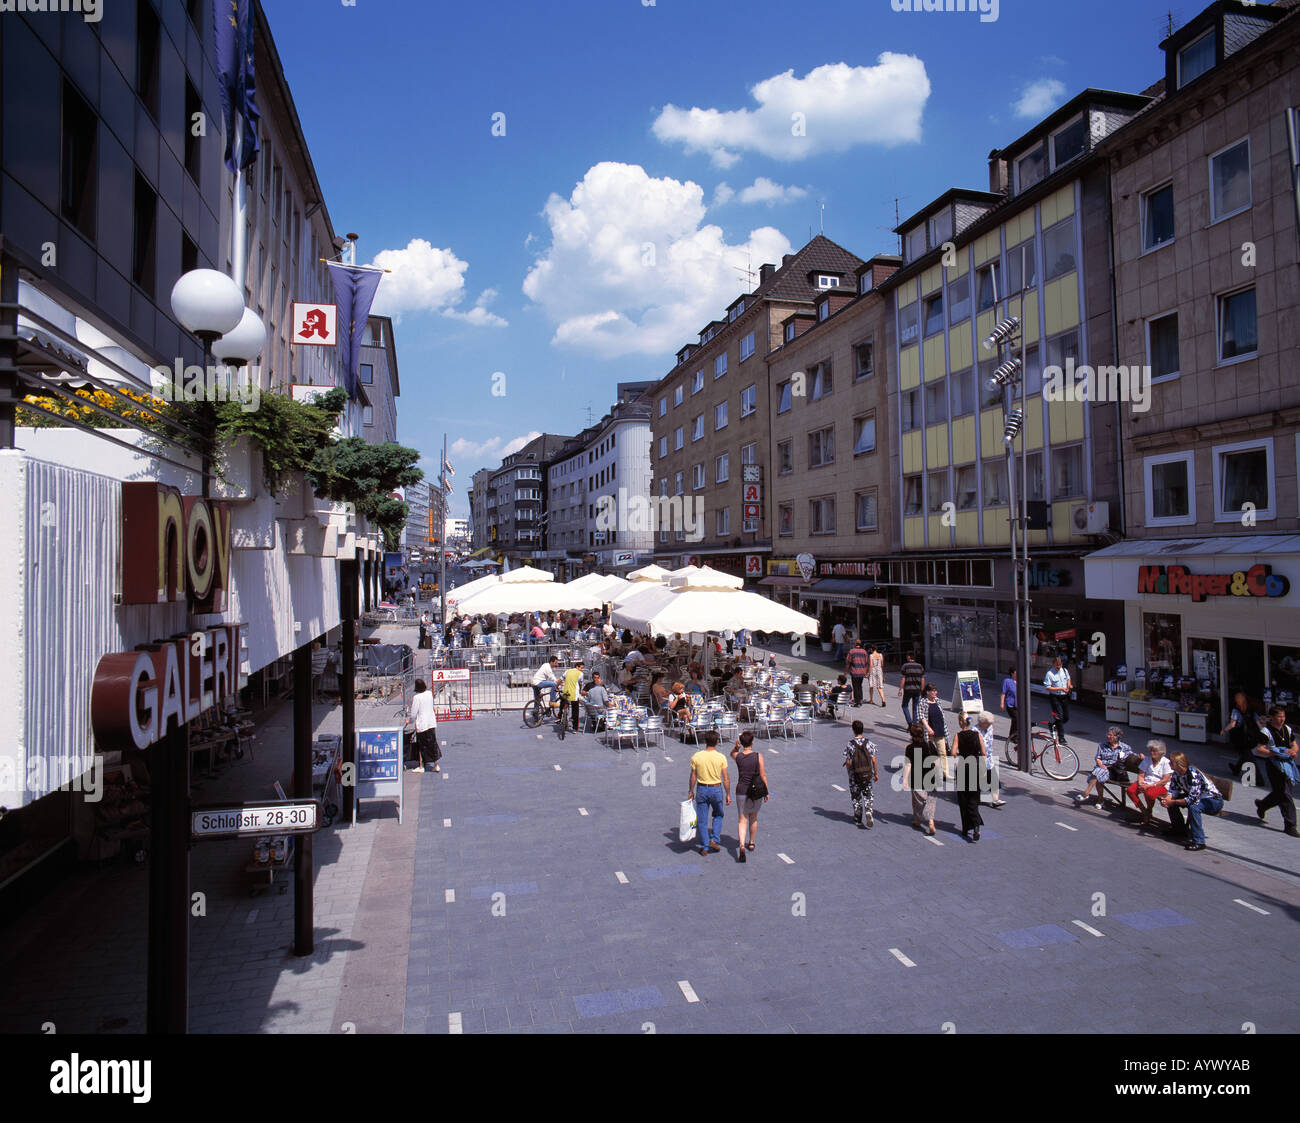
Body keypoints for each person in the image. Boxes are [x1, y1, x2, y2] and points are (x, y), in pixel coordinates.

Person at [1161, 752, 1224, 851]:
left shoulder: (1193, 774)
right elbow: (1173, 789)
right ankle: (1179, 829)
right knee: (1172, 801)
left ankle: (1199, 841)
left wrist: (1172, 802)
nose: (1169, 763)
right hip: (1198, 797)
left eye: (1171, 762)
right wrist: (1168, 798)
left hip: (1213, 801)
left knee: (1194, 807)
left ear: (1178, 764)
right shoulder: (1176, 774)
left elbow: (1192, 800)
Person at [1253, 704, 1300, 837]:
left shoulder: (1287, 730)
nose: (1282, 719)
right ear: (1271, 718)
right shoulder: (1266, 732)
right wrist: (1274, 753)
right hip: (1274, 765)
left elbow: (1294, 745)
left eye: (1283, 716)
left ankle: (1263, 805)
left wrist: (1293, 752)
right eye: (1279, 717)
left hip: (1287, 765)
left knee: (1282, 792)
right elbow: (1259, 749)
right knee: (1285, 794)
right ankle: (1290, 825)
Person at [689, 731, 731, 855]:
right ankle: (714, 839)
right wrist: (728, 793)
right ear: (717, 741)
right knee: (718, 814)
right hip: (716, 788)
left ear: (705, 741)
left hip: (702, 788)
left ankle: (704, 846)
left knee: (702, 819)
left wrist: (691, 791)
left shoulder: (696, 756)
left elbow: (693, 776)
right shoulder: (721, 757)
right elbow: (726, 778)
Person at [1073, 726, 1133, 809]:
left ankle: (1087, 793)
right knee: (1099, 773)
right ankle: (1100, 800)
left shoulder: (1124, 747)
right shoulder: (1102, 745)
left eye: (1110, 735)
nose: (1108, 736)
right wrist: (1101, 765)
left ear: (1117, 737)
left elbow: (1132, 756)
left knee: (1098, 772)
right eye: (1108, 734)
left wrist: (1140, 757)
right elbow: (1098, 758)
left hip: (1114, 771)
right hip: (1102, 769)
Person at [730, 731, 769, 860]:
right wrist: (766, 791)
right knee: (753, 817)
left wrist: (736, 747)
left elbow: (732, 754)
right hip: (755, 790)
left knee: (742, 820)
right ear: (752, 742)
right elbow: (763, 775)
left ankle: (741, 845)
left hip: (741, 790)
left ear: (741, 743)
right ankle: (751, 842)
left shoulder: (739, 757)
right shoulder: (758, 756)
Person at [903, 721, 940, 836]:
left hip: (917, 778)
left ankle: (918, 819)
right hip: (930, 776)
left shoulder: (909, 748)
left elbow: (908, 765)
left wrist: (905, 778)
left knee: (918, 801)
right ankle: (930, 821)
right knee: (931, 801)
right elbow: (936, 761)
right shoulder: (930, 745)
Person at [953, 713, 984, 842]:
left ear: (961, 722)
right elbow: (983, 752)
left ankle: (966, 828)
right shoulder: (977, 735)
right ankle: (976, 826)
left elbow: (953, 753)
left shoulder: (958, 736)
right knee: (974, 798)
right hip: (975, 766)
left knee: (963, 798)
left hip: (963, 768)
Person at [841, 720, 878, 829]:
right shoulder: (869, 743)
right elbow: (874, 760)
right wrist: (875, 773)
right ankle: (869, 810)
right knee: (868, 795)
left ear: (853, 730)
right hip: (867, 774)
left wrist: (849, 774)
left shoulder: (850, 744)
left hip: (855, 775)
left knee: (856, 797)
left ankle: (858, 818)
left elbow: (847, 762)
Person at [1128, 739, 1172, 826]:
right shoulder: (1147, 760)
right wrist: (1141, 783)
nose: (1152, 752)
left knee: (1150, 794)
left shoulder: (1166, 762)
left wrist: (1150, 786)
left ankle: (1149, 810)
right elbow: (1141, 774)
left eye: (1154, 751)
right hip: (1146, 782)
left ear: (1161, 752)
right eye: (1151, 750)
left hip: (1160, 785)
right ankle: (1143, 810)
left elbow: (1165, 780)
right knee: (1130, 790)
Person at [404, 679, 441, 772]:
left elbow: (413, 714)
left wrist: (410, 721)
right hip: (431, 722)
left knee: (421, 745)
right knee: (433, 743)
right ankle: (436, 765)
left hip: (422, 724)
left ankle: (421, 766)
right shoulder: (429, 693)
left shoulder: (417, 698)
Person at [1222, 692, 1261, 778]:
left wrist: (1224, 730)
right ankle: (1236, 769)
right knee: (1245, 754)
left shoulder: (1236, 710)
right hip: (1251, 737)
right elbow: (1258, 723)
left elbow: (1232, 724)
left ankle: (1258, 778)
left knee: (1248, 756)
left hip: (1241, 737)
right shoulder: (1251, 709)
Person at [918, 681, 950, 782]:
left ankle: (945, 773)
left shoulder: (938, 700)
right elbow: (921, 716)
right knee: (929, 753)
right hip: (929, 731)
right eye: (933, 691)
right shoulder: (923, 702)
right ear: (927, 692)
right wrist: (928, 728)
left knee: (943, 752)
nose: (935, 692)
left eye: (935, 690)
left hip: (940, 729)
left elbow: (942, 715)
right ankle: (930, 773)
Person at [976, 711, 1005, 806]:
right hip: (978, 759)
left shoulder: (990, 728)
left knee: (993, 778)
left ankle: (995, 800)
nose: (989, 726)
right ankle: (975, 798)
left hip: (988, 758)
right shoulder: (974, 731)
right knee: (978, 780)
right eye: (988, 724)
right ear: (981, 723)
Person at [1044, 657, 1072, 742]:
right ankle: (1061, 737)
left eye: (1060, 666)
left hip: (1064, 696)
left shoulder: (1064, 670)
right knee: (1059, 717)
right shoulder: (1049, 674)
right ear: (1053, 664)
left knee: (1066, 717)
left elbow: (1068, 679)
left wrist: (1069, 685)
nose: (1058, 668)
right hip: (1055, 697)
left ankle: (1053, 725)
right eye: (1057, 666)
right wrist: (1060, 689)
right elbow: (1048, 687)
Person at [898, 652, 925, 724]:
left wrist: (900, 689)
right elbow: (922, 678)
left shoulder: (905, 666)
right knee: (915, 707)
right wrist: (922, 689)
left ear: (909, 657)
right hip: (917, 689)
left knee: (904, 706)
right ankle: (915, 723)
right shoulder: (920, 666)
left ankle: (909, 723)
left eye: (907, 656)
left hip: (908, 689)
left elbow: (903, 678)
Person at [561, 660, 585, 731]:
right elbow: (581, 683)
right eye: (581, 668)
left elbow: (561, 679)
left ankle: (560, 717)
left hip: (566, 692)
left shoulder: (567, 671)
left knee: (562, 703)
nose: (582, 669)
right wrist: (581, 691)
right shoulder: (580, 674)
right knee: (575, 710)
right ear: (577, 667)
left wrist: (557, 686)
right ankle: (575, 728)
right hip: (574, 694)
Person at [845, 640, 869, 707]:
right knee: (859, 686)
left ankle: (857, 701)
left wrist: (845, 672)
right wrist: (866, 672)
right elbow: (867, 663)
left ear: (855, 644)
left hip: (854, 671)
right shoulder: (864, 652)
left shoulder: (852, 651)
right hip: (861, 672)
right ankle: (860, 699)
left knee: (855, 687)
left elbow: (848, 662)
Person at [1000, 667, 1018, 746]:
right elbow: (1003, 693)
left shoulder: (1020, 681)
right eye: (1015, 672)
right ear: (1012, 673)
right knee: (1016, 719)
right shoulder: (1007, 681)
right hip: (1010, 704)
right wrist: (1002, 703)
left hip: (1019, 705)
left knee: (1016, 720)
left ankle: (1012, 735)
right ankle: (1014, 737)